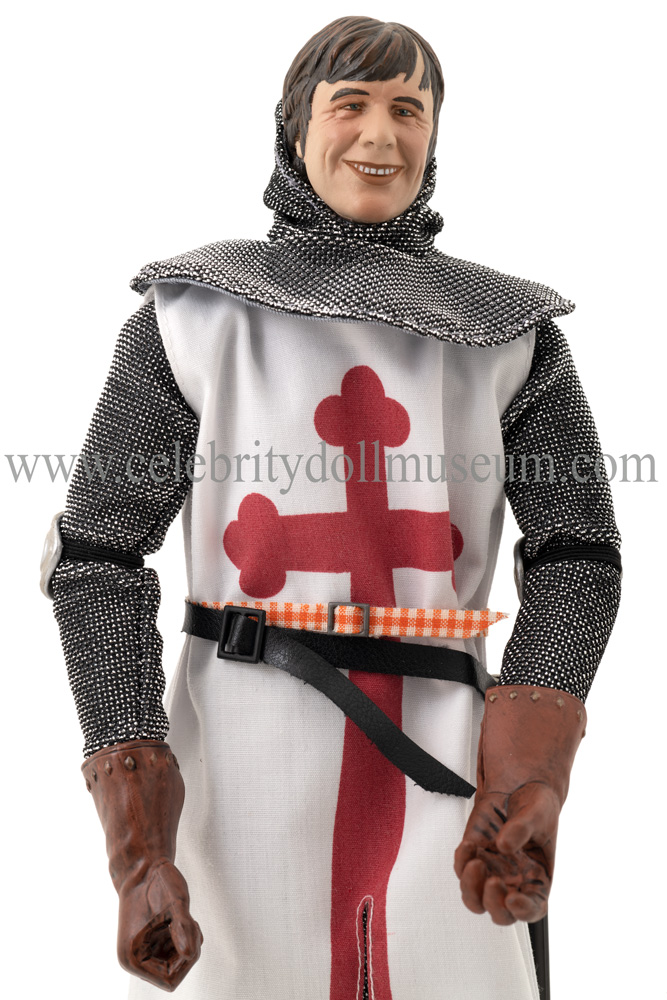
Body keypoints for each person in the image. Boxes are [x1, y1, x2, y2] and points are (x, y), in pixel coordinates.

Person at [42, 16, 621, 1000]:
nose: (379, 136)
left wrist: (526, 775)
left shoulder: (509, 337)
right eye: (348, 105)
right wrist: (138, 848)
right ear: (294, 127)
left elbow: (578, 555)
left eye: (408, 110)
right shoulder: (193, 319)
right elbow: (96, 557)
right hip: (239, 749)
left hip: (449, 759)